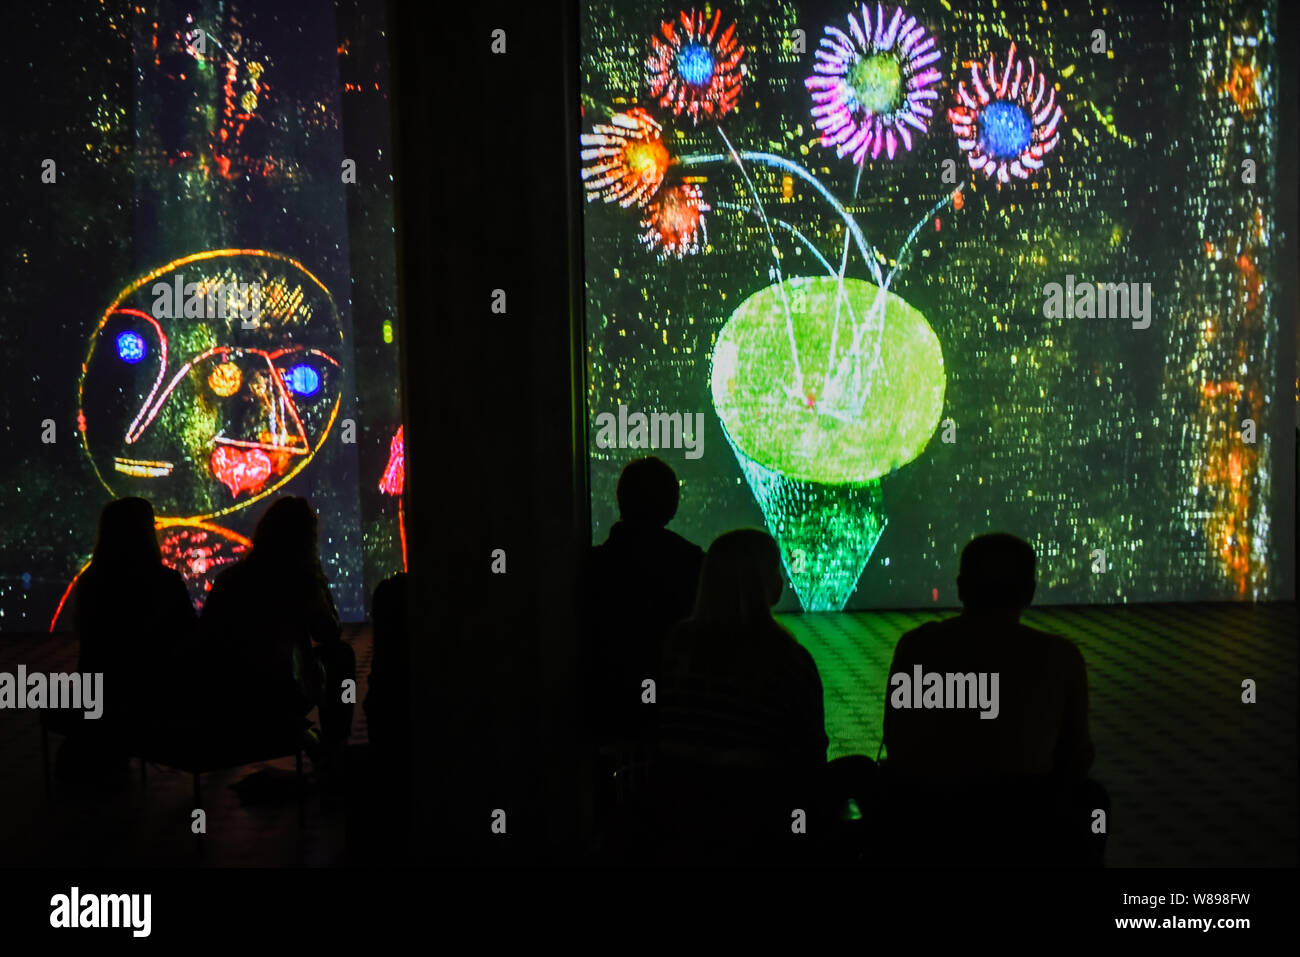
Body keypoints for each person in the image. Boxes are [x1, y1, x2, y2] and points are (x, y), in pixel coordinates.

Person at [880, 532, 1106, 865]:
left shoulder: (917, 647)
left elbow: (896, 738)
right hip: (1026, 828)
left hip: (929, 825)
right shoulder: (1060, 657)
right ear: (1029, 592)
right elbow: (1076, 754)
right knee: (1093, 800)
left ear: (961, 587)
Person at [648, 528, 829, 864]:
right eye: (776, 568)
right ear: (761, 581)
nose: (783, 578)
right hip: (760, 818)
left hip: (681, 815)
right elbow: (810, 752)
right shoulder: (787, 658)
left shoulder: (674, 647)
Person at [199, 496, 355, 774]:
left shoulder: (230, 579)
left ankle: (314, 741)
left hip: (223, 698)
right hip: (280, 695)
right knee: (342, 656)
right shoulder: (299, 581)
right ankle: (337, 746)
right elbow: (330, 631)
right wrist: (318, 578)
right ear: (307, 540)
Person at [60, 497, 196, 785]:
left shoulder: (91, 582)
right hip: (149, 696)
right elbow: (190, 638)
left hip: (100, 692)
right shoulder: (165, 582)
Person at [581, 457, 704, 747]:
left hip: (604, 708)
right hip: (676, 714)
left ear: (621, 499)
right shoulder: (692, 563)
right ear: (672, 504)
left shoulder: (593, 565)